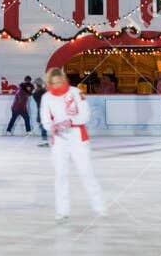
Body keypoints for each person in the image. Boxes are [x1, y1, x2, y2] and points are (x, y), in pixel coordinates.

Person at [38, 67, 106, 221]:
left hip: (77, 137)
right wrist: (52, 127)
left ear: (64, 79)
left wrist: (70, 121)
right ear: (49, 83)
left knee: (86, 172)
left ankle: (99, 206)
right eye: (53, 83)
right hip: (59, 140)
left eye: (59, 82)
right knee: (60, 175)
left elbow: (85, 115)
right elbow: (45, 119)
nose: (57, 85)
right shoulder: (47, 97)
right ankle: (62, 211)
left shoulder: (75, 92)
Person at [33, 78, 48, 147]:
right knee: (41, 124)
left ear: (37, 84)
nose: (34, 85)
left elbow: (35, 96)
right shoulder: (44, 91)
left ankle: (45, 141)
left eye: (35, 84)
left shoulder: (37, 92)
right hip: (43, 109)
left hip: (42, 110)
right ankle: (44, 140)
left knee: (42, 125)